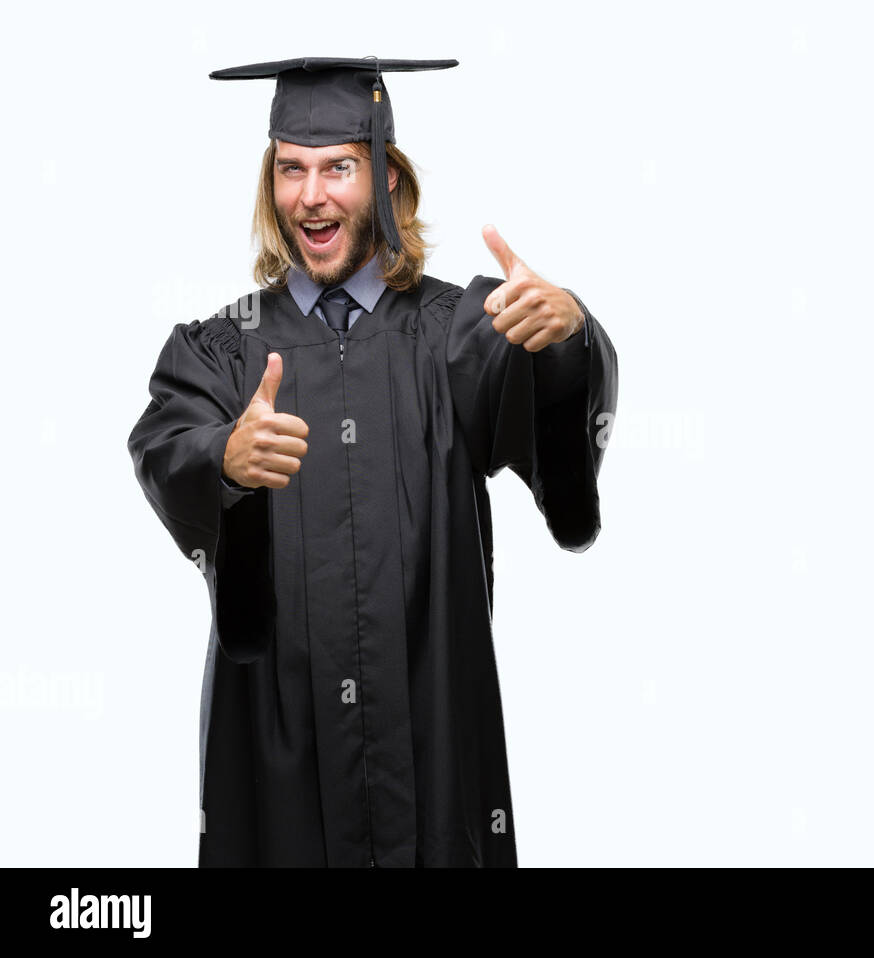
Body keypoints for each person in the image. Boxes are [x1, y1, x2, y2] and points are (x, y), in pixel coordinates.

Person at [125, 57, 618, 868]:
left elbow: (548, 418)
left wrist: (566, 338)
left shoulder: (460, 331)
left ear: (386, 178)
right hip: (279, 752)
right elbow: (163, 444)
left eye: (337, 167)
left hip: (431, 746)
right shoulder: (223, 349)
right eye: (291, 169)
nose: (310, 195)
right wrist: (225, 457)